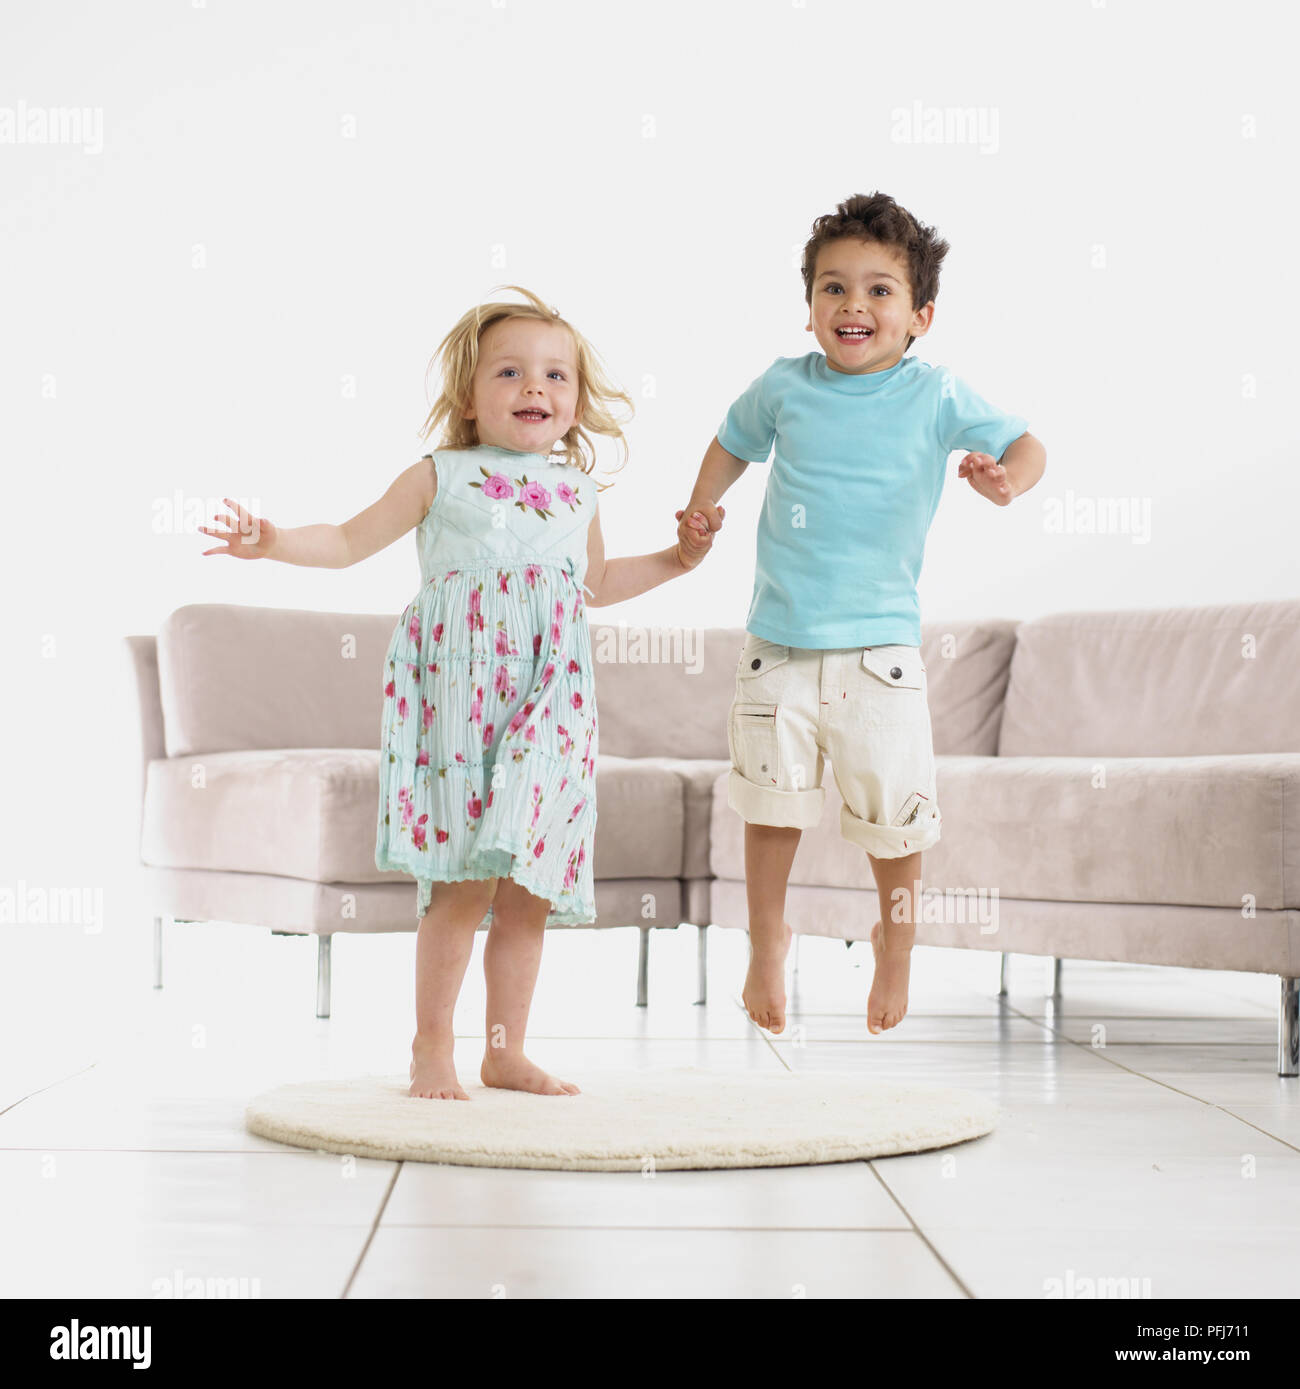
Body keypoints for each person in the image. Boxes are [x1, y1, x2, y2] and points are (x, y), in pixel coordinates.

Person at [200, 285, 714, 1099]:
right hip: (461, 703)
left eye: (555, 375)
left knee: (529, 890)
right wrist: (273, 543)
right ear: (469, 399)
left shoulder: (577, 493)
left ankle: (504, 1049)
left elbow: (600, 582)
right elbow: (344, 540)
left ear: (577, 401)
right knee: (466, 880)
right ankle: (431, 1044)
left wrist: (680, 561)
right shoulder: (440, 476)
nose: (535, 389)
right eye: (510, 373)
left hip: (551, 704)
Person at [675, 192, 1046, 1038]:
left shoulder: (936, 393)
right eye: (833, 289)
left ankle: (898, 938)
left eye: (879, 291)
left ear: (920, 315)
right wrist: (701, 508)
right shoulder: (784, 387)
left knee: (896, 816)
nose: (854, 306)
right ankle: (769, 937)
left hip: (881, 653)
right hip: (778, 647)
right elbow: (731, 441)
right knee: (770, 805)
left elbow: (1029, 443)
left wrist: (1007, 480)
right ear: (809, 309)